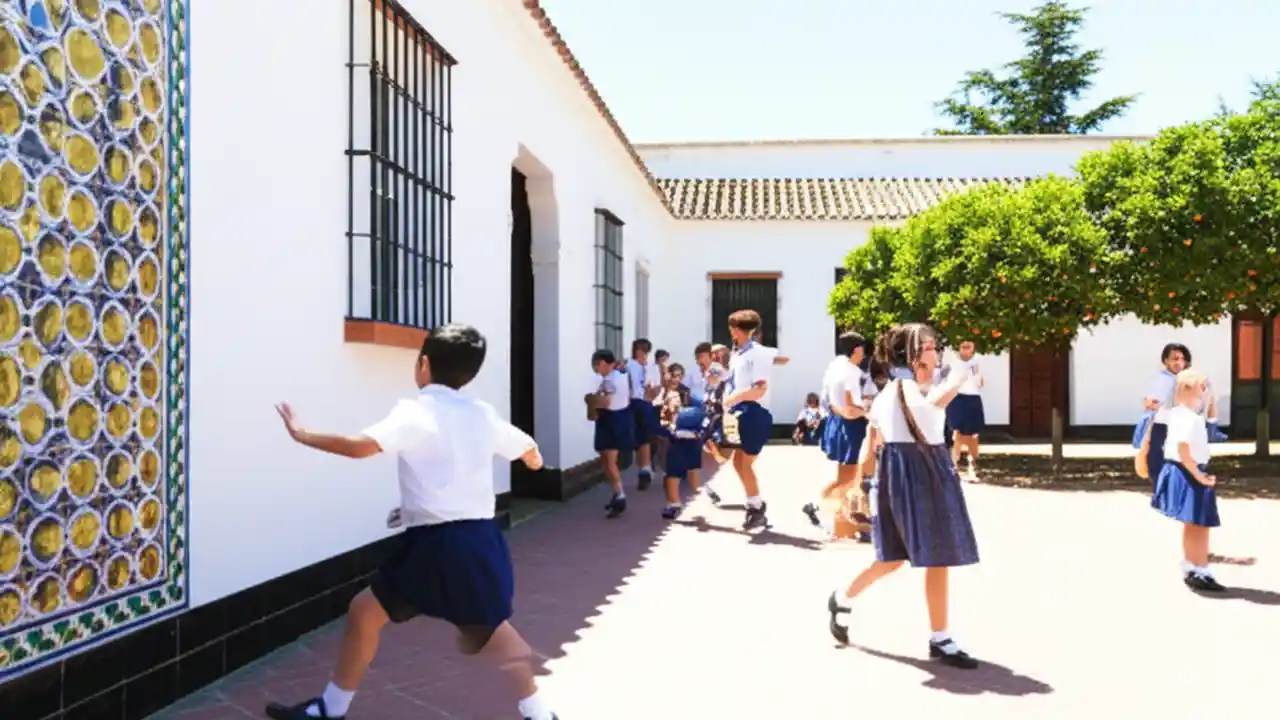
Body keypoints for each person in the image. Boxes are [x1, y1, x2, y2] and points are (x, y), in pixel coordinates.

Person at [265, 324, 558, 720]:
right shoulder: (481, 414)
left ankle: (330, 710)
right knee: (379, 613)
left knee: (482, 632)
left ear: (423, 364)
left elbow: (359, 447)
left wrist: (303, 434)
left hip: (439, 546)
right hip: (474, 542)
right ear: (470, 373)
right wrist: (533, 458)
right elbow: (526, 446)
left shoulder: (416, 411)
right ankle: (329, 710)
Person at [825, 323, 981, 670]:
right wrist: (960, 375)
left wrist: (865, 480)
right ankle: (843, 598)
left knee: (933, 556)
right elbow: (929, 407)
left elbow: (872, 436)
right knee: (894, 557)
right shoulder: (904, 387)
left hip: (922, 469)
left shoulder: (898, 390)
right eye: (928, 346)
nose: (936, 349)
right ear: (912, 353)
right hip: (911, 471)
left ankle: (939, 635)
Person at [1152, 369, 1226, 592]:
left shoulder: (1176, 413)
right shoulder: (1189, 418)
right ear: (1187, 389)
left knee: (1193, 524)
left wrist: (1209, 396)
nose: (1205, 392)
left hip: (1182, 470)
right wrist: (1199, 475)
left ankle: (1193, 566)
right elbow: (1183, 449)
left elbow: (1210, 415)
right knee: (1201, 525)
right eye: (1201, 387)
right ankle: (1200, 568)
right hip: (1190, 470)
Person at [803, 331, 869, 537]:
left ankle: (845, 524)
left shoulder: (833, 367)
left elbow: (830, 401)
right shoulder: (852, 372)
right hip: (852, 425)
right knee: (850, 478)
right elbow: (850, 407)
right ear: (857, 349)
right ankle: (817, 505)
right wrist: (869, 413)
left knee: (845, 476)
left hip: (836, 421)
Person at [723, 309, 776, 530]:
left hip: (753, 412)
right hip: (737, 412)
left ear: (736, 329)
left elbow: (759, 388)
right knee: (737, 462)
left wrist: (735, 397)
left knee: (745, 462)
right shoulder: (738, 355)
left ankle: (756, 508)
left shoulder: (758, 353)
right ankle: (755, 503)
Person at [587, 348, 634, 518]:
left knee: (609, 460)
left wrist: (592, 402)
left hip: (610, 419)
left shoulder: (609, 381)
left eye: (597, 364)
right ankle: (617, 493)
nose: (595, 368)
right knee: (607, 459)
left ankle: (620, 494)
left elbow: (605, 402)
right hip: (621, 417)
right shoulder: (622, 374)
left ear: (605, 363)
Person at [655, 363, 706, 519]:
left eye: (679, 375)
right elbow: (659, 414)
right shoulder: (661, 392)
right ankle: (673, 503)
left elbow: (697, 414)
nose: (675, 378)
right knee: (671, 472)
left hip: (688, 438)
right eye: (672, 374)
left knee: (692, 473)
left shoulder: (686, 394)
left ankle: (703, 499)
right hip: (670, 437)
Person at [1137, 344, 1191, 486]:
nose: (1179, 362)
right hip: (1163, 425)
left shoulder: (1186, 378)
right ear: (1166, 360)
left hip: (1181, 427)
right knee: (1158, 459)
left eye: (1182, 358)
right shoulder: (1162, 379)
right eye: (1174, 358)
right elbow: (1151, 402)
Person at [945, 340, 986, 482]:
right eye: (963, 346)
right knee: (956, 434)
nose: (966, 349)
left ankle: (972, 467)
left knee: (973, 436)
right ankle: (954, 467)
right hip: (957, 399)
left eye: (969, 346)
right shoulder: (953, 362)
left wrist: (976, 375)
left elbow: (980, 383)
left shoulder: (977, 361)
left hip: (973, 398)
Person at [626, 338, 662, 489]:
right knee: (635, 437)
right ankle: (643, 467)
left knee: (645, 436)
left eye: (644, 349)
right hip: (631, 403)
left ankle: (644, 470)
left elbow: (658, 387)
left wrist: (652, 392)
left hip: (646, 403)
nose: (641, 352)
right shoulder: (629, 365)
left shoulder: (652, 368)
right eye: (639, 349)